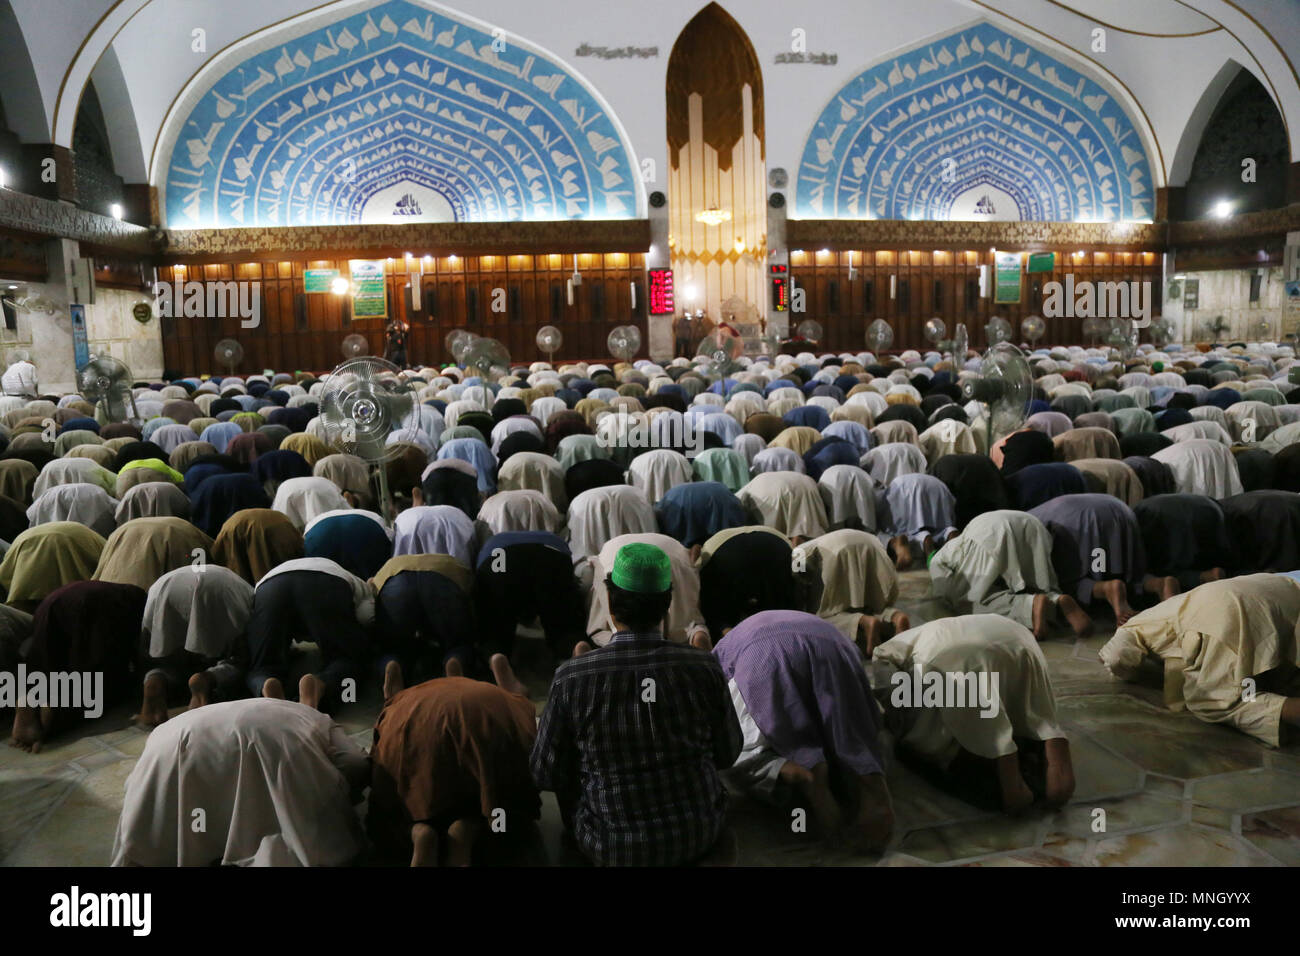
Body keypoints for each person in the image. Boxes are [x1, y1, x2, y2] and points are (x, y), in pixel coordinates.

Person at [530, 542, 742, 866]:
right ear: (667, 604)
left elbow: (545, 773)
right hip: (698, 833)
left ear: (610, 606)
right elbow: (728, 753)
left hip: (609, 845)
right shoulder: (704, 667)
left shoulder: (571, 677)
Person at [714, 610, 894, 852]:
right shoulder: (760, 624)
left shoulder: (717, 658)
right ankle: (874, 788)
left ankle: (805, 770)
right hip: (834, 644)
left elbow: (733, 723)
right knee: (852, 723)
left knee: (734, 749)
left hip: (761, 655)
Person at [111, 697, 369, 866]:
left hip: (169, 741)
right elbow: (356, 763)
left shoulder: (301, 713)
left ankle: (204, 839)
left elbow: (136, 785)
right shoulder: (319, 722)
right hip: (264, 739)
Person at [873, 615, 1075, 814]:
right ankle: (1055, 759)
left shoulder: (885, 652)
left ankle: (1012, 784)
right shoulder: (923, 635)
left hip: (947, 657)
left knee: (913, 734)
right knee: (1035, 709)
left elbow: (898, 703)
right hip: (1017, 638)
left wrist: (909, 734)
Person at [367, 655, 540, 866]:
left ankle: (417, 831)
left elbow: (379, 782)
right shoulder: (516, 708)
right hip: (489, 714)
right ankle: (468, 829)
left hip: (409, 713)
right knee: (508, 815)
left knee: (388, 814)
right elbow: (534, 775)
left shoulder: (398, 707)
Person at [1099, 574, 1300, 746]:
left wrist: (1128, 671)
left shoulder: (1132, 627)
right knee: (1266, 666)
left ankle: (1287, 710)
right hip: (1282, 590)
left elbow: (1116, 658)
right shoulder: (1173, 606)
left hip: (1227, 613)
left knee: (1210, 700)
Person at [929, 510, 1092, 639]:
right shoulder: (955, 545)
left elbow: (947, 593)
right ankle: (1057, 599)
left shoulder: (938, 562)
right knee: (1033, 585)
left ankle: (1031, 606)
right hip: (1030, 525)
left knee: (968, 602)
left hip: (987, 536)